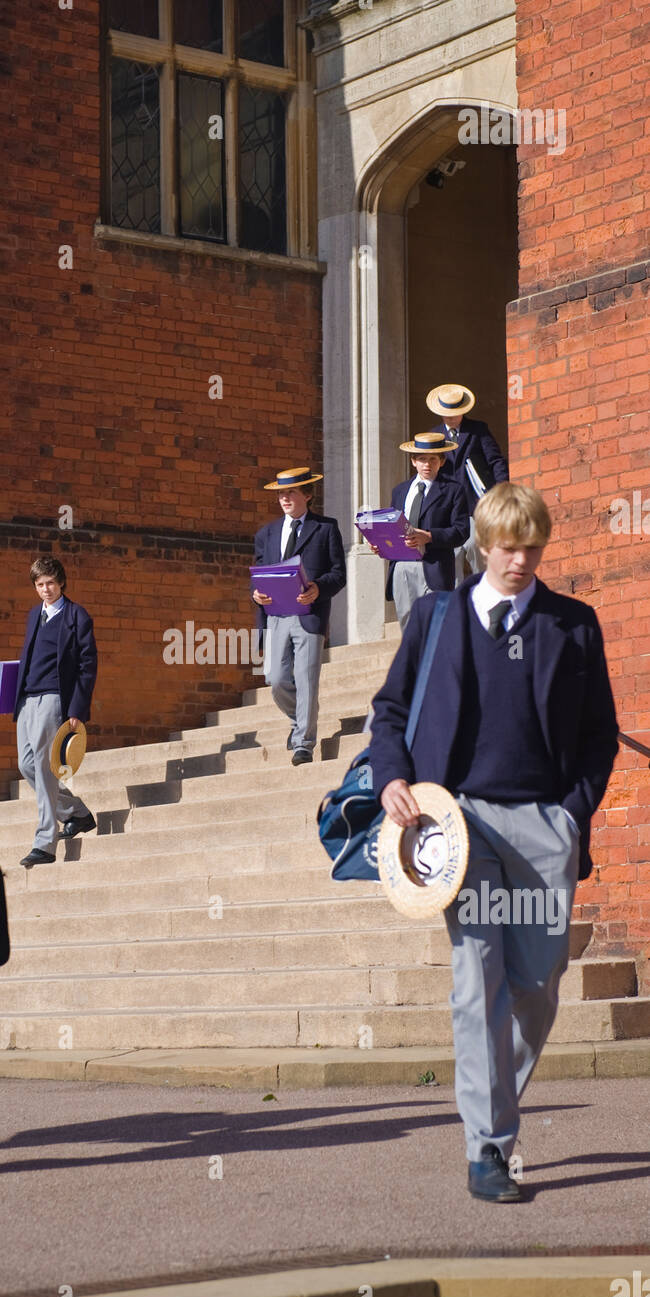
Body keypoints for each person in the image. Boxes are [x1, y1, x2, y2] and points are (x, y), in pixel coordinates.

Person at [368, 484, 618, 1202]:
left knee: (537, 989)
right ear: (482, 544)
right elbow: (388, 712)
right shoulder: (435, 616)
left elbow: (600, 735)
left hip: (545, 827)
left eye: (532, 547)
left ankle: (492, 1100)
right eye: (508, 546)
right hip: (460, 823)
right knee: (476, 982)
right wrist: (393, 778)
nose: (520, 560)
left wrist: (573, 814)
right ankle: (487, 1147)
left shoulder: (574, 624)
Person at [253, 466, 346, 764]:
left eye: (290, 492)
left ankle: (303, 742)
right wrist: (256, 595)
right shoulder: (265, 534)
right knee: (276, 679)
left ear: (307, 494)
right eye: (281, 493)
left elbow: (338, 573)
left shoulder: (326, 527)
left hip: (309, 614)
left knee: (306, 679)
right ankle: (300, 719)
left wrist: (319, 588)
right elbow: (259, 577)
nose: (284, 498)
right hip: (277, 615)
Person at [13, 556, 97, 867]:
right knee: (27, 765)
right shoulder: (35, 614)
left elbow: (88, 667)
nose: (46, 589)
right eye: (39, 584)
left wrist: (76, 708)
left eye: (50, 583)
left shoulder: (76, 616)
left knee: (46, 770)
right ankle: (77, 812)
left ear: (61, 582)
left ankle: (45, 843)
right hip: (27, 700)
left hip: (53, 698)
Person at [367, 432, 468, 630]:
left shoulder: (453, 490)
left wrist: (429, 537)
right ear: (413, 461)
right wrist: (382, 546)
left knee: (436, 626)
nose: (427, 464)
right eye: (422, 459)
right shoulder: (400, 491)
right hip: (402, 567)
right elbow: (392, 526)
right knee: (408, 627)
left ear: (442, 460)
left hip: (434, 566)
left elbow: (461, 531)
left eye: (432, 459)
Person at [426, 383, 508, 578]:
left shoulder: (478, 430)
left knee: (475, 546)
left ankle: (487, 587)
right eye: (447, 412)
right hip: (447, 506)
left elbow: (495, 461)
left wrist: (501, 491)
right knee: (452, 554)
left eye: (455, 412)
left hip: (475, 502)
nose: (451, 416)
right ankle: (457, 601)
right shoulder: (433, 436)